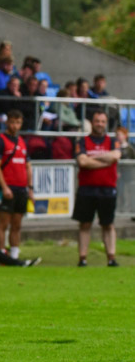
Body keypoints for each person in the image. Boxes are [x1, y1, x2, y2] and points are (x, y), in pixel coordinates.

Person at [73, 111, 121, 267]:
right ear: (92, 122)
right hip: (87, 188)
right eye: (97, 121)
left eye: (102, 121)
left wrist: (91, 159)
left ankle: (111, 258)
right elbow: (82, 162)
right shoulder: (83, 141)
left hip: (107, 188)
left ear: (105, 123)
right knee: (85, 224)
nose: (99, 124)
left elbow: (115, 157)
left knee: (108, 224)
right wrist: (105, 161)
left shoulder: (112, 141)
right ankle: (83, 258)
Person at [0, 110, 33, 261]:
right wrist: (4, 187)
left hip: (21, 188)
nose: (15, 126)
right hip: (8, 187)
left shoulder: (22, 141)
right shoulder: (0, 140)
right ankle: (0, 254)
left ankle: (14, 254)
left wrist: (30, 188)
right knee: (3, 223)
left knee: (17, 224)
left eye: (18, 122)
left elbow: (28, 166)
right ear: (7, 122)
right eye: (13, 122)